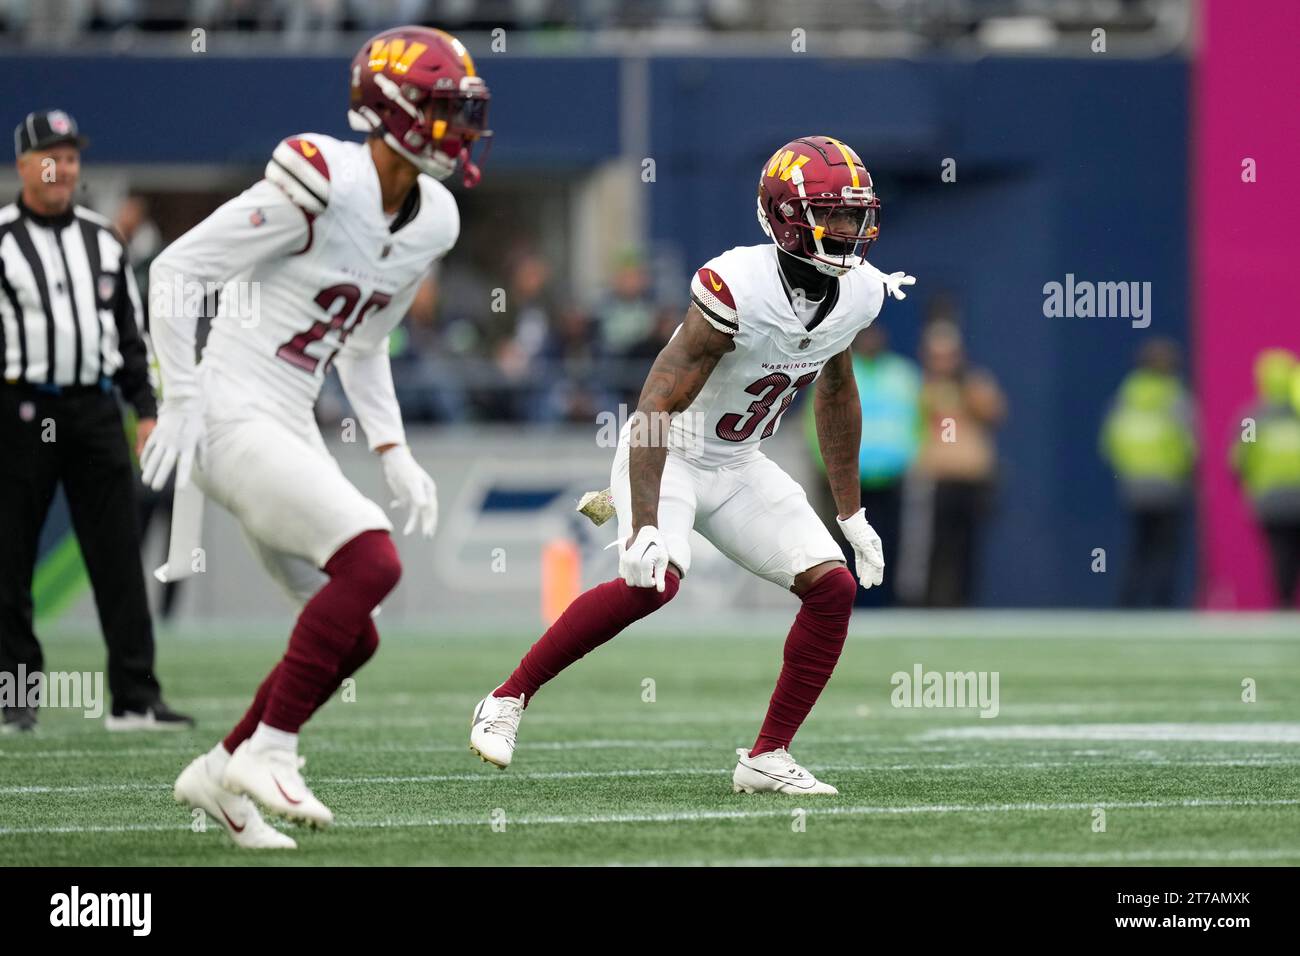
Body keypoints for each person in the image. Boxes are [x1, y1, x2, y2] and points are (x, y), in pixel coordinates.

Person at [468, 136, 915, 795]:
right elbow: (655, 403)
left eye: (856, 215)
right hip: (670, 450)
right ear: (788, 218)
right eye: (833, 215)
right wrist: (645, 520)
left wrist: (851, 513)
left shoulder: (857, 294)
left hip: (738, 462)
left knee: (833, 588)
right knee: (653, 583)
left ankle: (766, 756)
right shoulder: (738, 284)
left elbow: (837, 391)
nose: (849, 230)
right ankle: (508, 698)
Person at [147, 26, 490, 849]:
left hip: (288, 419)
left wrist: (393, 450)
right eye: (444, 109)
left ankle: (220, 770)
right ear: (393, 109)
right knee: (373, 561)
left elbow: (365, 345)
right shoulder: (320, 178)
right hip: (230, 410)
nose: (459, 128)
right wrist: (182, 392)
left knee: (354, 635)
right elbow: (176, 270)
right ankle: (270, 749)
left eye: (463, 111)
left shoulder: (433, 216)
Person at [0, 109, 191, 733]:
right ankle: (14, 699)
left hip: (94, 411)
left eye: (73, 157)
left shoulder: (103, 239)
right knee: (10, 558)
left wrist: (145, 412)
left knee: (116, 556)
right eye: (51, 156)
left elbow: (129, 335)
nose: (64, 169)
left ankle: (135, 697)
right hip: (21, 410)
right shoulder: (1, 239)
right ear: (24, 164)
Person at [805, 321, 920, 606]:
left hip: (890, 478)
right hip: (846, 480)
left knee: (889, 543)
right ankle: (845, 602)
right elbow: (815, 422)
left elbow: (919, 420)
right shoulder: (837, 371)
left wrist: (912, 456)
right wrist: (826, 467)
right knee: (841, 543)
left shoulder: (902, 374)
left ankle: (887, 604)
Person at [897, 316, 1005, 607]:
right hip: (937, 479)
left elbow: (994, 414)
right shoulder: (921, 387)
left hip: (971, 477)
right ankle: (931, 603)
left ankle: (962, 603)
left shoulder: (974, 383)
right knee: (933, 546)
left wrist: (965, 389)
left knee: (968, 546)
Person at [1100, 339, 1196, 607]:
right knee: (1165, 550)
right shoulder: (1176, 398)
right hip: (1169, 486)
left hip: (1134, 486)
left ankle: (1127, 604)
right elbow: (1191, 443)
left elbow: (1110, 440)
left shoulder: (1125, 398)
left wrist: (1132, 469)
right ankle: (1161, 606)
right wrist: (1180, 471)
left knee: (1138, 548)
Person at [1232, 349, 1300, 607]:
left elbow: (1240, 458)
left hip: (1270, 500)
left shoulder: (1253, 419)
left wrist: (1248, 486)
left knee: (1281, 554)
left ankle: (1283, 605)